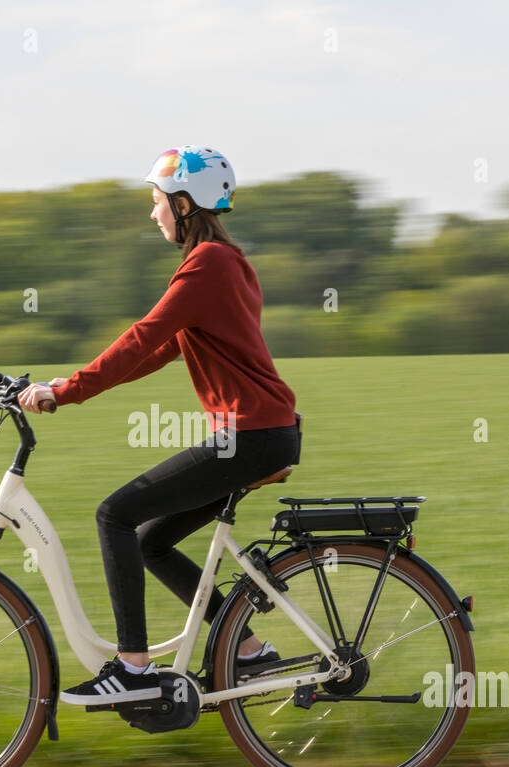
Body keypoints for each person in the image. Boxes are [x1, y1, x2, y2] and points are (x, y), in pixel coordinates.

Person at [17, 145, 301, 705]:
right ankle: (245, 649)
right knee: (151, 540)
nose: (153, 215)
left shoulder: (207, 265)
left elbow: (142, 338)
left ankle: (133, 669)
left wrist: (67, 391)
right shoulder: (229, 262)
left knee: (114, 515)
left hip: (249, 435)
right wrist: (66, 386)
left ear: (184, 203)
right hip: (263, 433)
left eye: (156, 202)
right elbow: (160, 350)